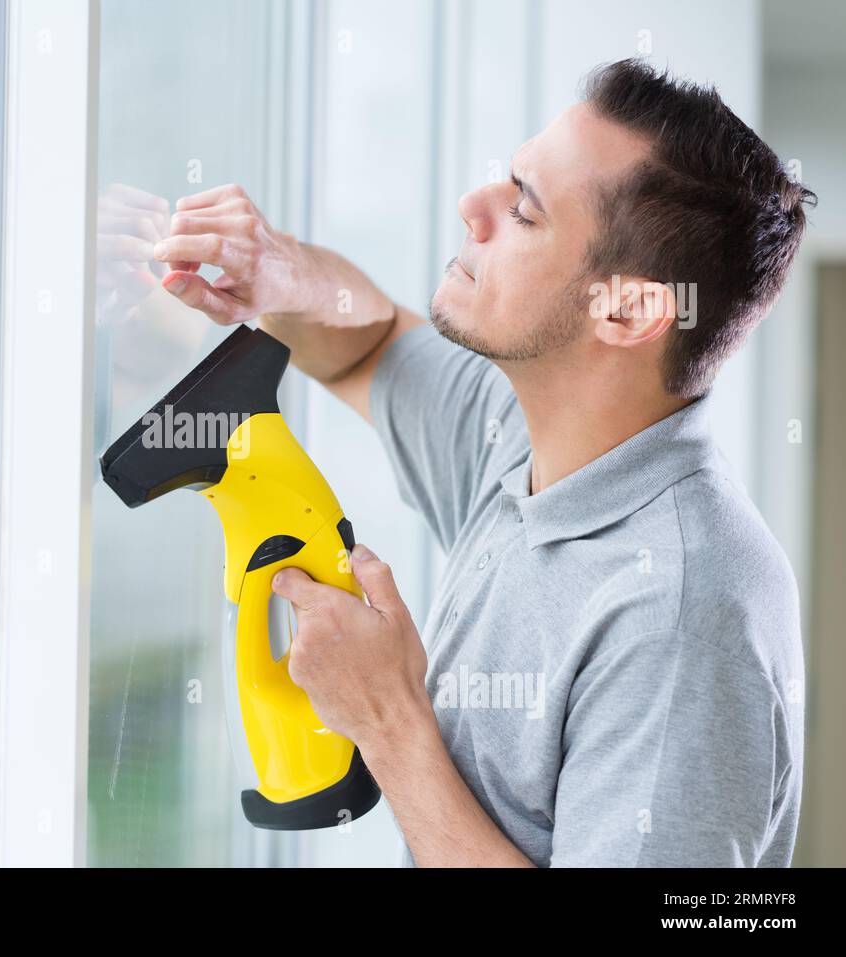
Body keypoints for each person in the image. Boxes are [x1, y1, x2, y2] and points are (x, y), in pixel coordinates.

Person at [153, 59, 813, 867]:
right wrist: (281, 273)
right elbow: (369, 345)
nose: (474, 207)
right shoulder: (522, 429)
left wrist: (390, 722)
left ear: (631, 308)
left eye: (523, 211)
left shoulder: (687, 611)